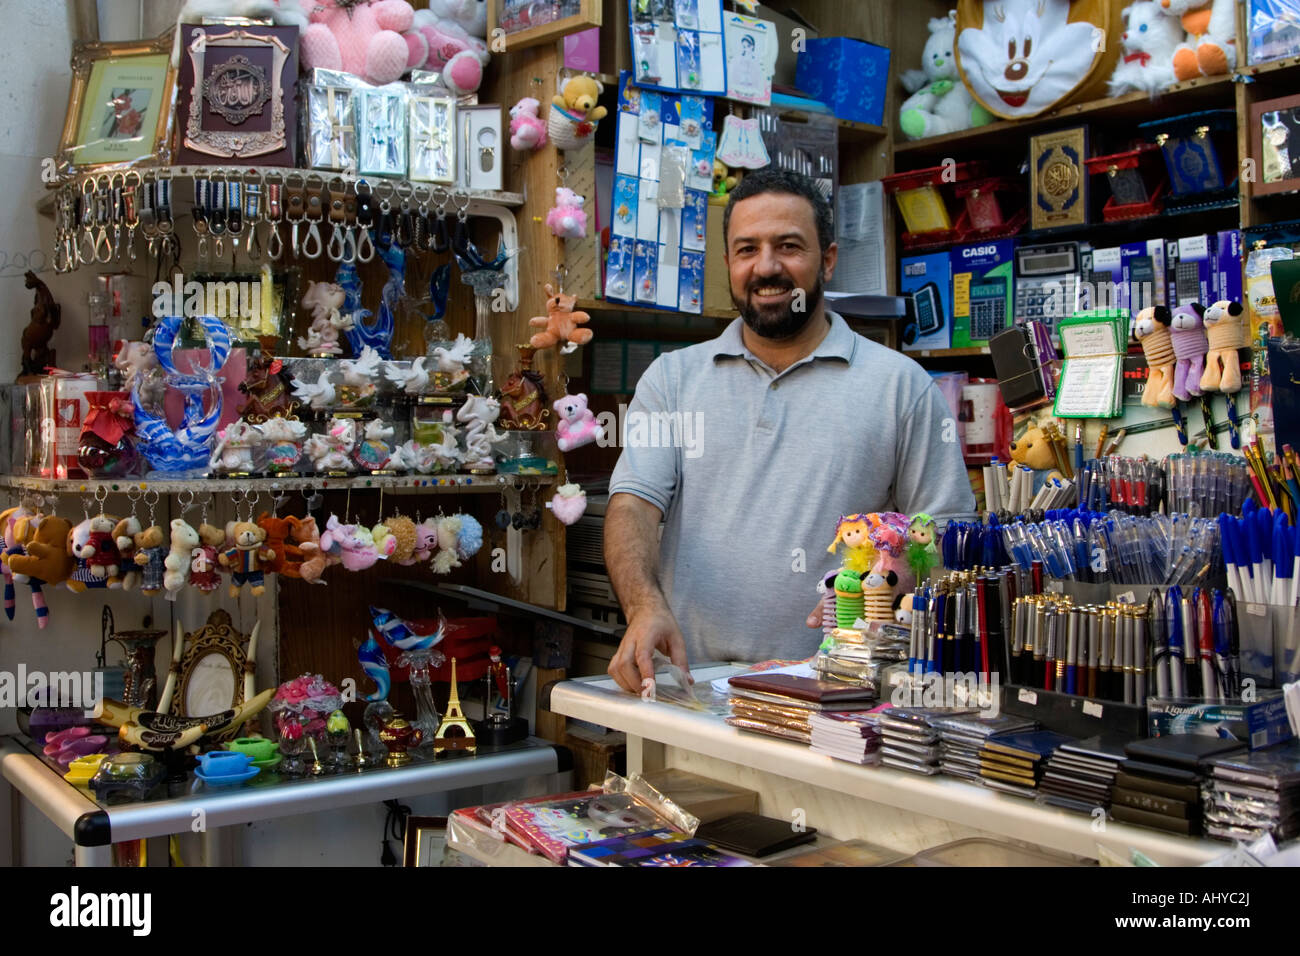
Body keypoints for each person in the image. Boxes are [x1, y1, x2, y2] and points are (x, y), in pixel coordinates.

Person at [603, 168, 975, 694]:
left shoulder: (900, 386)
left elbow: (943, 528)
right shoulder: (672, 379)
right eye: (747, 249)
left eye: (789, 246)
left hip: (838, 694)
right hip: (689, 687)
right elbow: (633, 506)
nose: (767, 267)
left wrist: (888, 581)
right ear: (728, 262)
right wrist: (644, 608)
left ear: (827, 258)